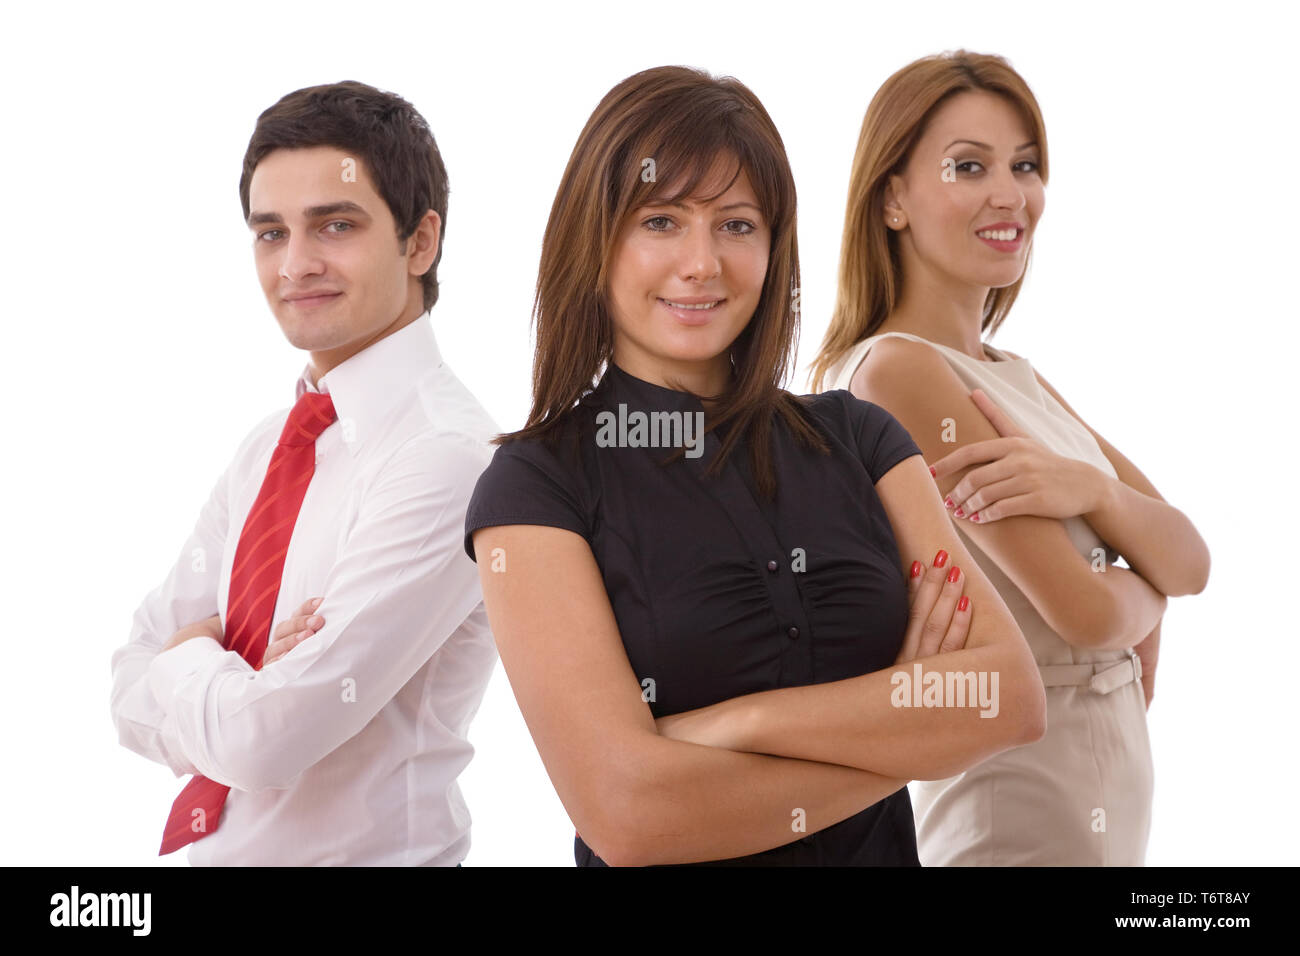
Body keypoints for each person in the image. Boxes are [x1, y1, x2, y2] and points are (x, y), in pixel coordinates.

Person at [463, 65, 1045, 867]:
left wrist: (737, 726)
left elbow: (1008, 698)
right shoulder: (536, 487)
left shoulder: (862, 440)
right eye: (662, 222)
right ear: (594, 240)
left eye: (737, 225)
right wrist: (904, 731)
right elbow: (630, 816)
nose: (703, 263)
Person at [811, 50, 1211, 865]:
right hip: (1016, 800)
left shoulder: (1010, 375)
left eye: (1025, 165)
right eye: (968, 166)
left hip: (1091, 789)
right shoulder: (898, 372)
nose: (1011, 194)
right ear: (892, 199)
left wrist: (1090, 489)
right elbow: (1085, 612)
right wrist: (1149, 599)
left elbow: (1192, 557)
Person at [109, 80, 499, 866]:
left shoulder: (450, 458)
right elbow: (124, 691)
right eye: (270, 232)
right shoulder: (269, 447)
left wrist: (192, 655)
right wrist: (241, 675)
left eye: (336, 225)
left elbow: (263, 742)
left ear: (420, 242)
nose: (296, 264)